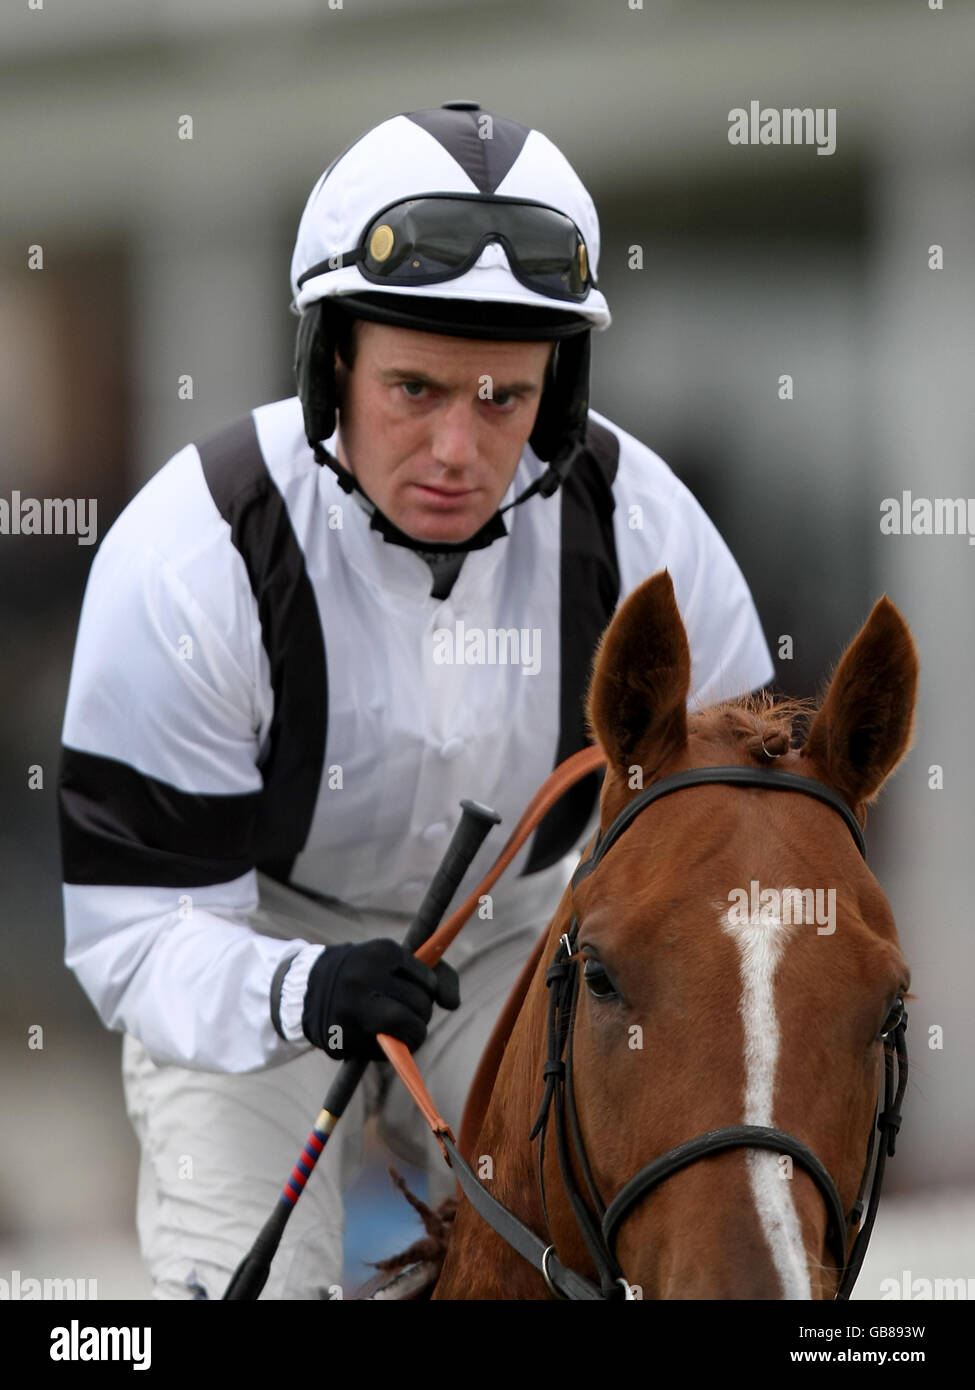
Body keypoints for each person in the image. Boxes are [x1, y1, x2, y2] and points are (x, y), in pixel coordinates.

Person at [58, 101, 775, 1300]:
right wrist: (308, 986)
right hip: (250, 944)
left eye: (505, 398)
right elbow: (132, 935)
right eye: (416, 389)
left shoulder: (647, 532)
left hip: (510, 943)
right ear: (328, 361)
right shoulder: (191, 555)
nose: (457, 446)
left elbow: (743, 831)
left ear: (559, 382)